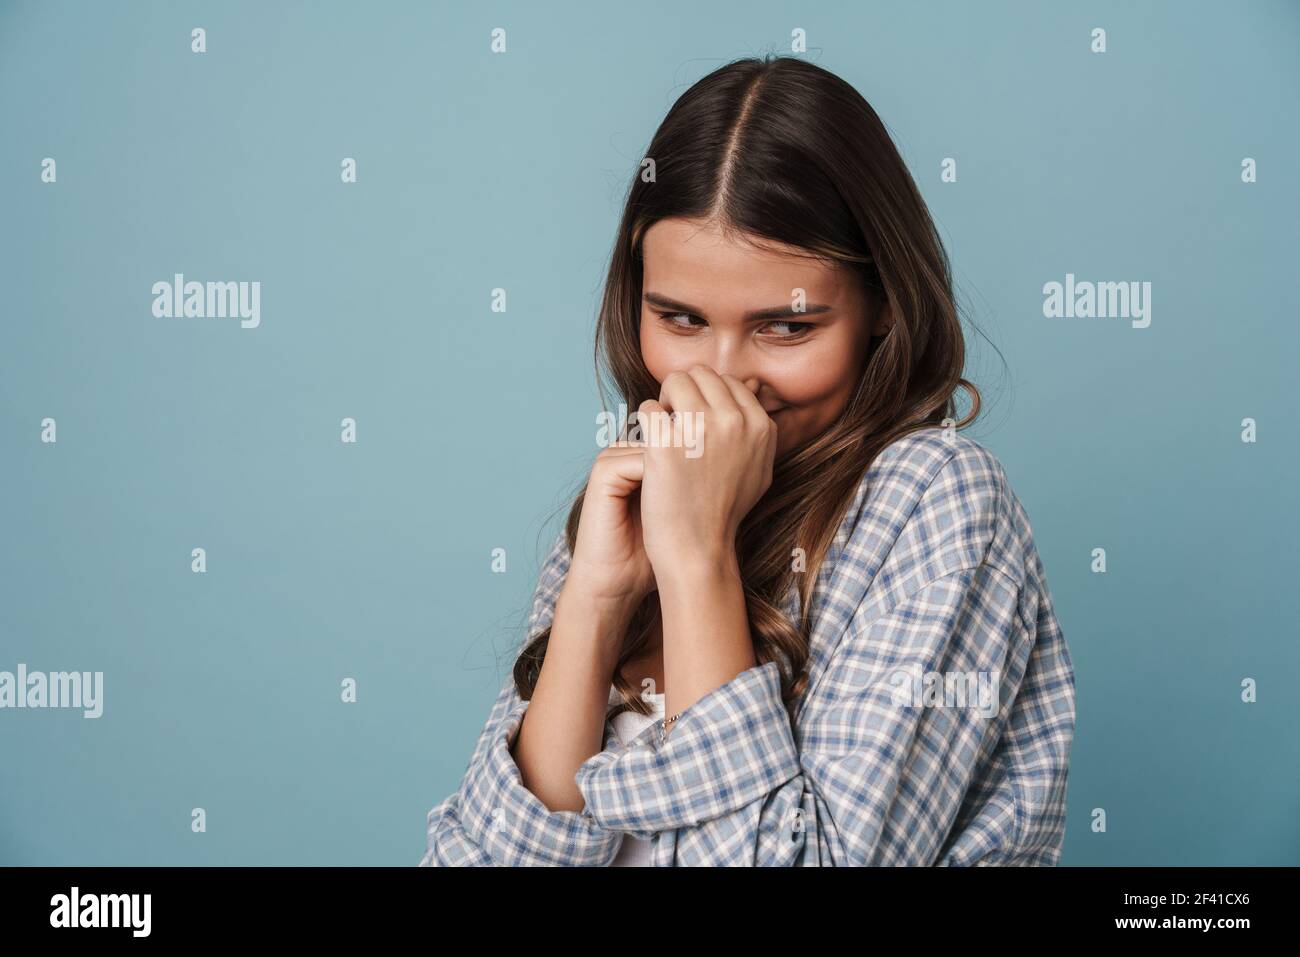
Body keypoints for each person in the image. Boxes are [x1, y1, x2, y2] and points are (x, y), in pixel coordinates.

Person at [420, 54, 1076, 866]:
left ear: (881, 307)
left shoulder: (937, 500)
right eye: (682, 318)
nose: (722, 378)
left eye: (787, 326)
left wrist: (697, 560)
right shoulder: (631, 496)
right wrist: (594, 599)